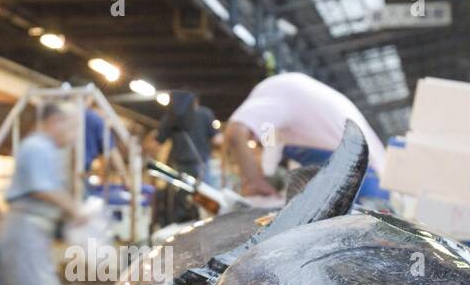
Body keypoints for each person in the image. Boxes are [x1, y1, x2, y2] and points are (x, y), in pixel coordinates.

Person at [223, 72, 385, 196]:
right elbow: (271, 153)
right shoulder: (287, 106)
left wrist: (254, 182)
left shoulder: (271, 95)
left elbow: (235, 133)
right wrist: (267, 176)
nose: (252, 139)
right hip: (373, 173)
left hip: (357, 173)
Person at [0, 105, 86, 285]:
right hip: (24, 232)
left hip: (32, 233)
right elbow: (42, 189)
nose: (73, 137)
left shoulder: (45, 148)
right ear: (55, 121)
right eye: (72, 128)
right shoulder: (37, 146)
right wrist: (75, 209)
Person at [156, 89, 219, 222]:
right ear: (196, 100)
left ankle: (178, 226)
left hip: (177, 167)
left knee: (179, 202)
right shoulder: (205, 113)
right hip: (200, 165)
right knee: (204, 202)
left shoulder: (170, 116)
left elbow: (159, 141)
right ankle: (204, 226)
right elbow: (217, 140)